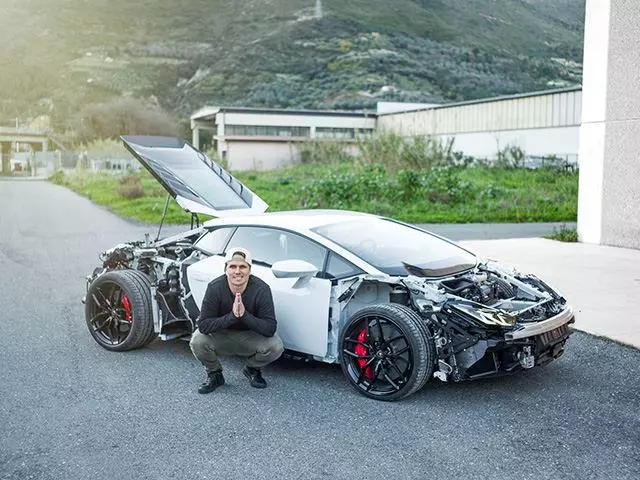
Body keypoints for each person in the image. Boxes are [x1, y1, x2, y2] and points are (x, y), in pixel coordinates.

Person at [189, 247, 284, 394]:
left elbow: (270, 328)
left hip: (250, 336)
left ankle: (252, 369)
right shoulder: (215, 287)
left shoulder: (262, 289)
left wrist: (244, 315)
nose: (237, 271)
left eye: (242, 267)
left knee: (276, 346)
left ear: (249, 270)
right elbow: (203, 325)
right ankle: (215, 374)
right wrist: (232, 317)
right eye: (232, 266)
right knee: (197, 341)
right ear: (226, 269)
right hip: (222, 335)